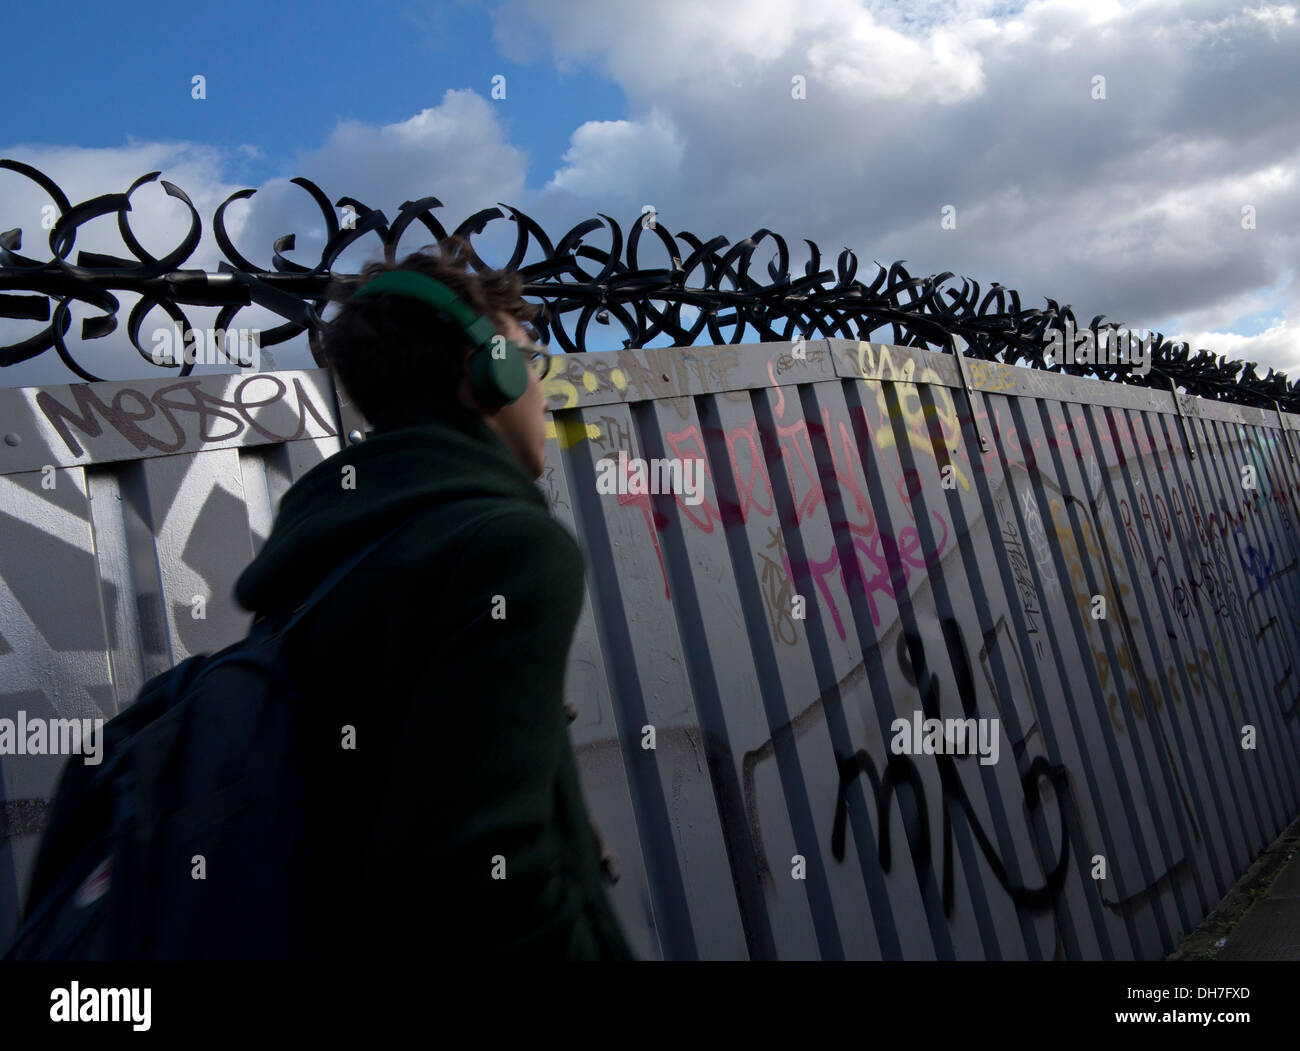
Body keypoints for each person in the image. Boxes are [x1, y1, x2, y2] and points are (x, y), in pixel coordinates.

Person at [232, 236, 634, 959]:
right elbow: (488, 881)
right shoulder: (506, 547)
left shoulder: (329, 547)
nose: (542, 392)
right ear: (497, 373)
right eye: (530, 362)